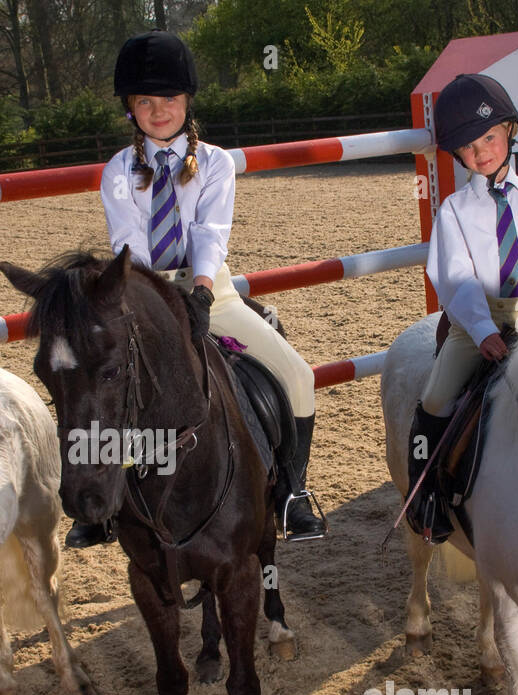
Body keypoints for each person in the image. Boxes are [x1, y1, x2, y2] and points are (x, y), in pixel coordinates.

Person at [63, 29, 325, 548]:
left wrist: (201, 293)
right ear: (130, 109)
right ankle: (101, 505)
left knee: (297, 374)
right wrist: (153, 302)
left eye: (170, 100)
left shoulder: (215, 163)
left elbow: (210, 231)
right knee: (105, 385)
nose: (159, 111)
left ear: (187, 102)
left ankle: (292, 493)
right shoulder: (119, 170)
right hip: (142, 297)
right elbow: (127, 241)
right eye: (145, 102)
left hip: (211, 293)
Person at [406, 73, 518, 542]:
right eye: (468, 146)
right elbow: (455, 279)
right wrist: (483, 330)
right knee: (437, 398)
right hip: (476, 323)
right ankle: (427, 499)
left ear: (509, 130)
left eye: (488, 137)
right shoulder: (455, 211)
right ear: (456, 154)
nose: (481, 151)